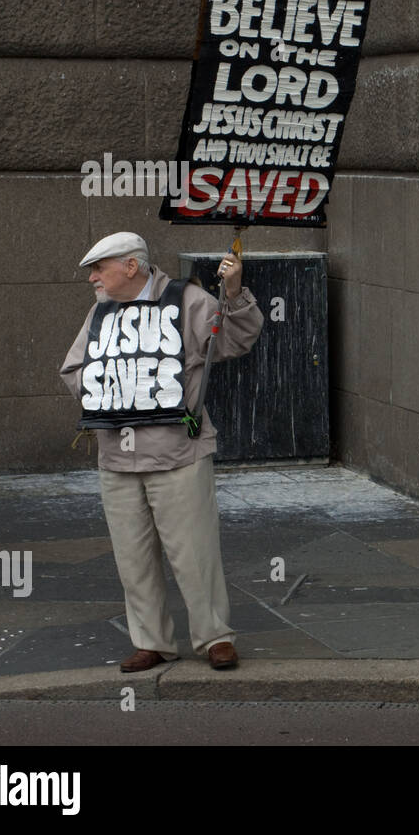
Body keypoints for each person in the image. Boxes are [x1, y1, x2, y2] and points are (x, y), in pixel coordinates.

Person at [59, 231, 264, 672]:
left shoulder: (186, 300)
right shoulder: (101, 311)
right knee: (132, 557)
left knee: (194, 553)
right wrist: (108, 392)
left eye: (100, 268)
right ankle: (152, 641)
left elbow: (236, 338)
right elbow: (74, 367)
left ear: (131, 266)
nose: (93, 277)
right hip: (117, 458)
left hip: (177, 454)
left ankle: (214, 638)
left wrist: (232, 291)